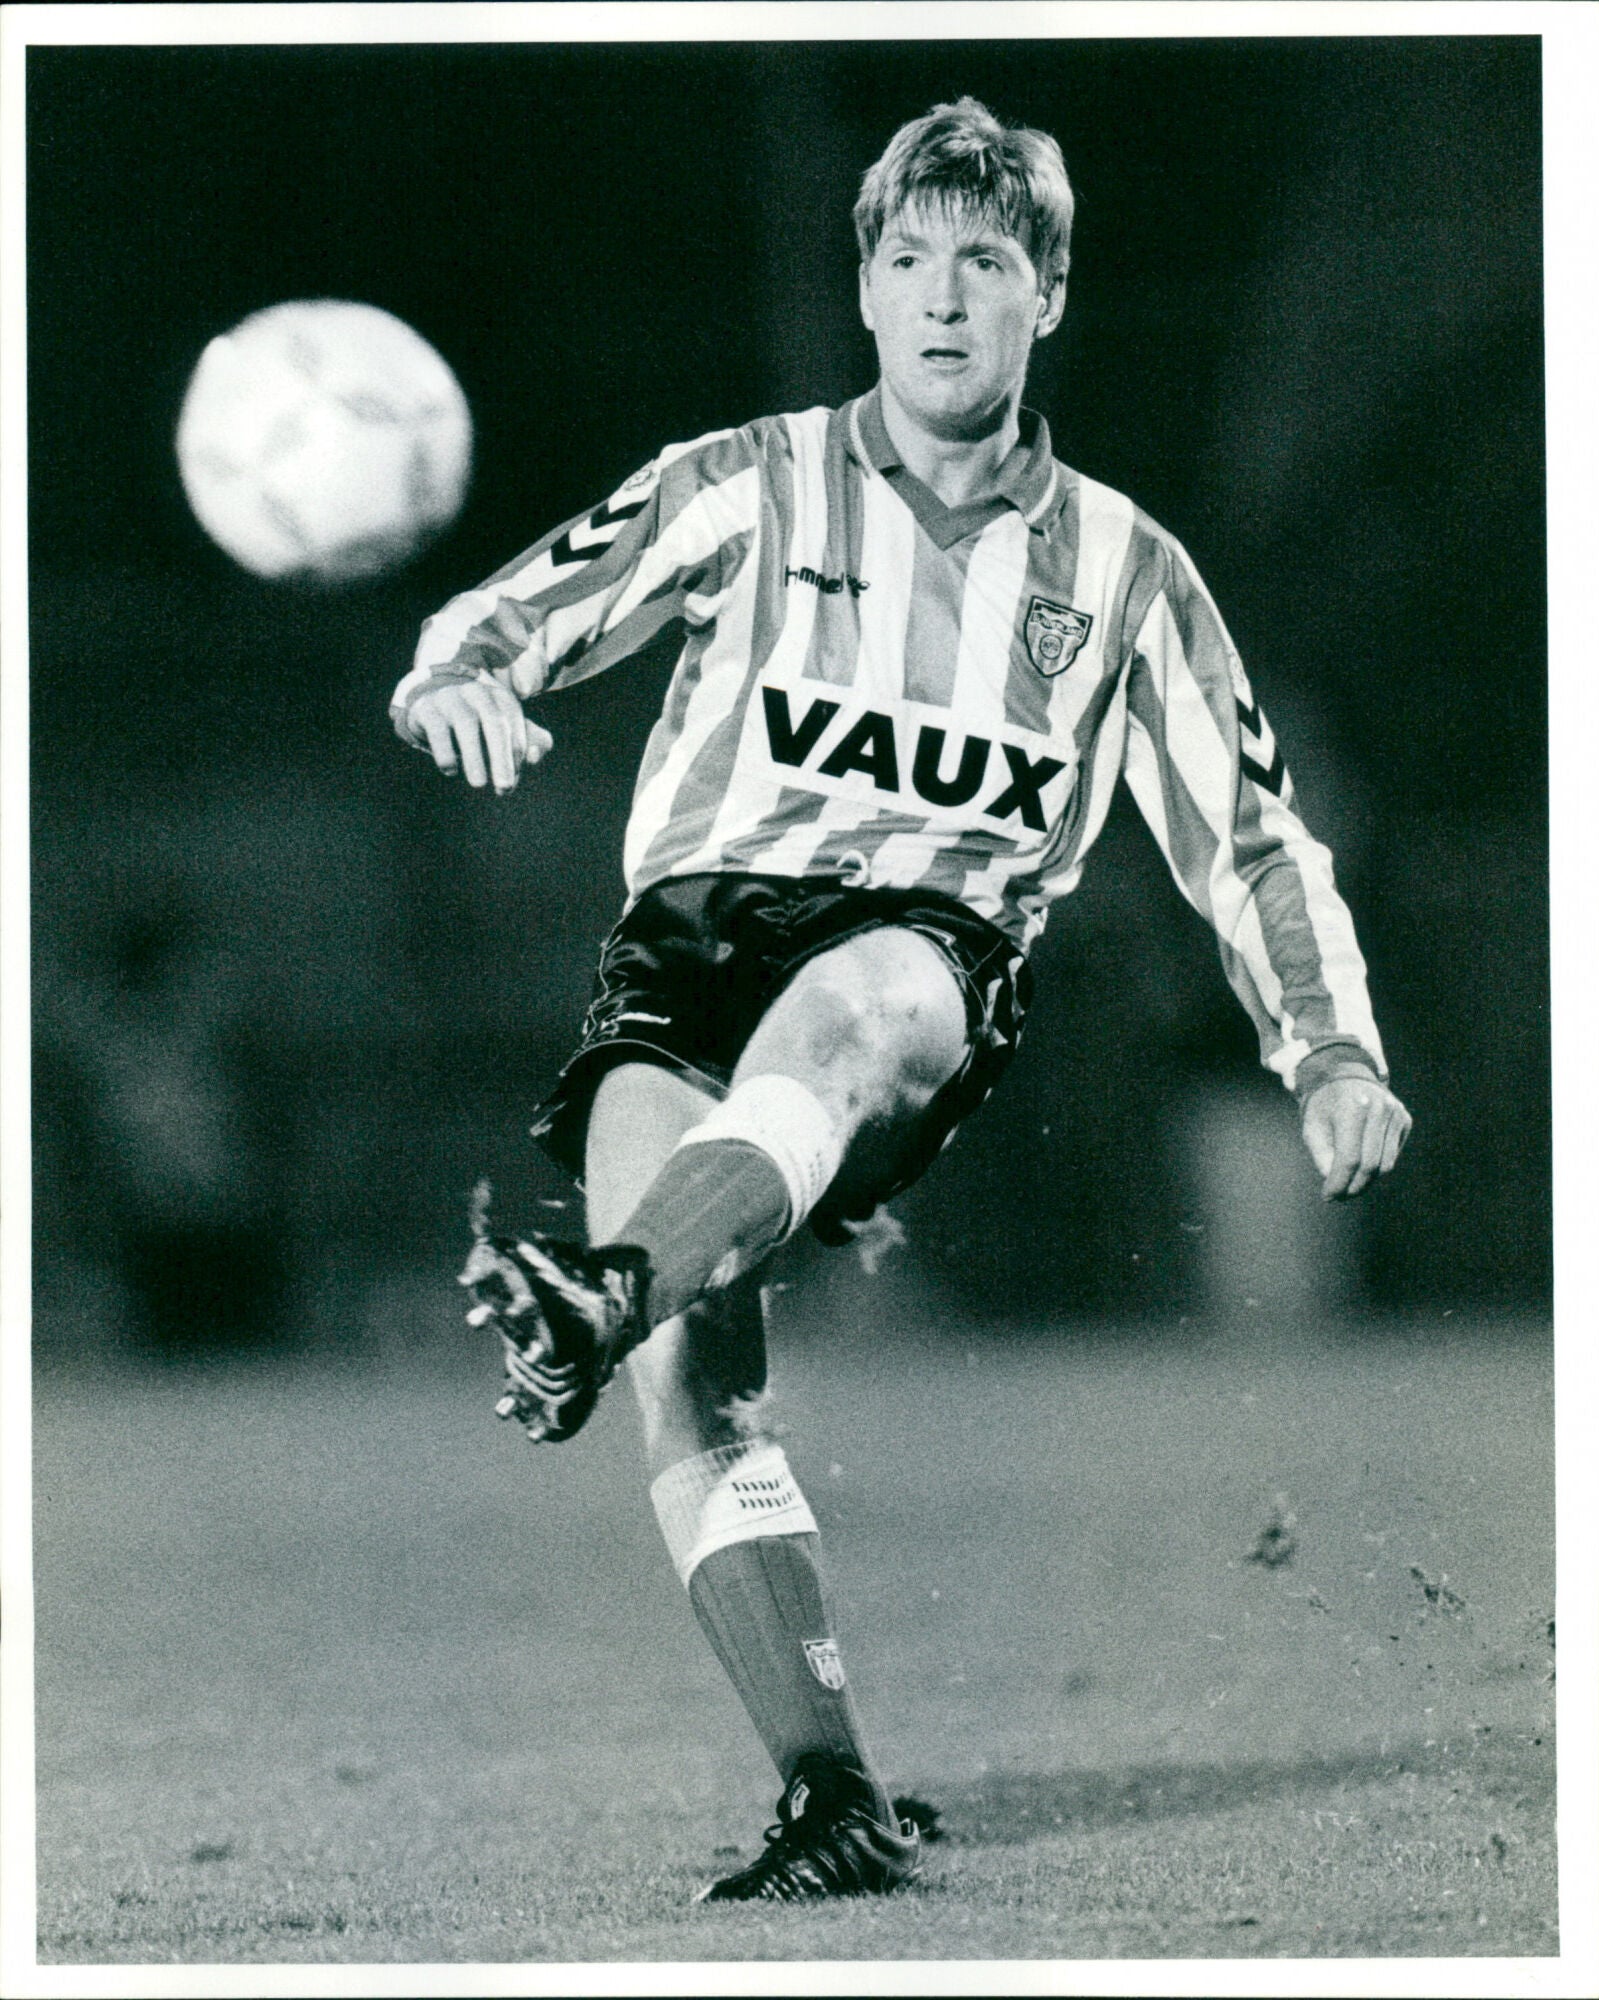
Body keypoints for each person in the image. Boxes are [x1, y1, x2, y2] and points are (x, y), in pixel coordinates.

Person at [389, 97, 1412, 1903]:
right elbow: (509, 613)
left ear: (1048, 296)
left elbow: (1250, 837)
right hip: (687, 951)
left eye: (986, 262)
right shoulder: (743, 480)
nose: (945, 297)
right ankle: (831, 1795)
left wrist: (1329, 1047)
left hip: (923, 960)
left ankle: (608, 1285)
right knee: (693, 1379)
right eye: (911, 260)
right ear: (865, 289)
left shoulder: (1126, 572)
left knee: (853, 1010)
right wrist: (451, 678)